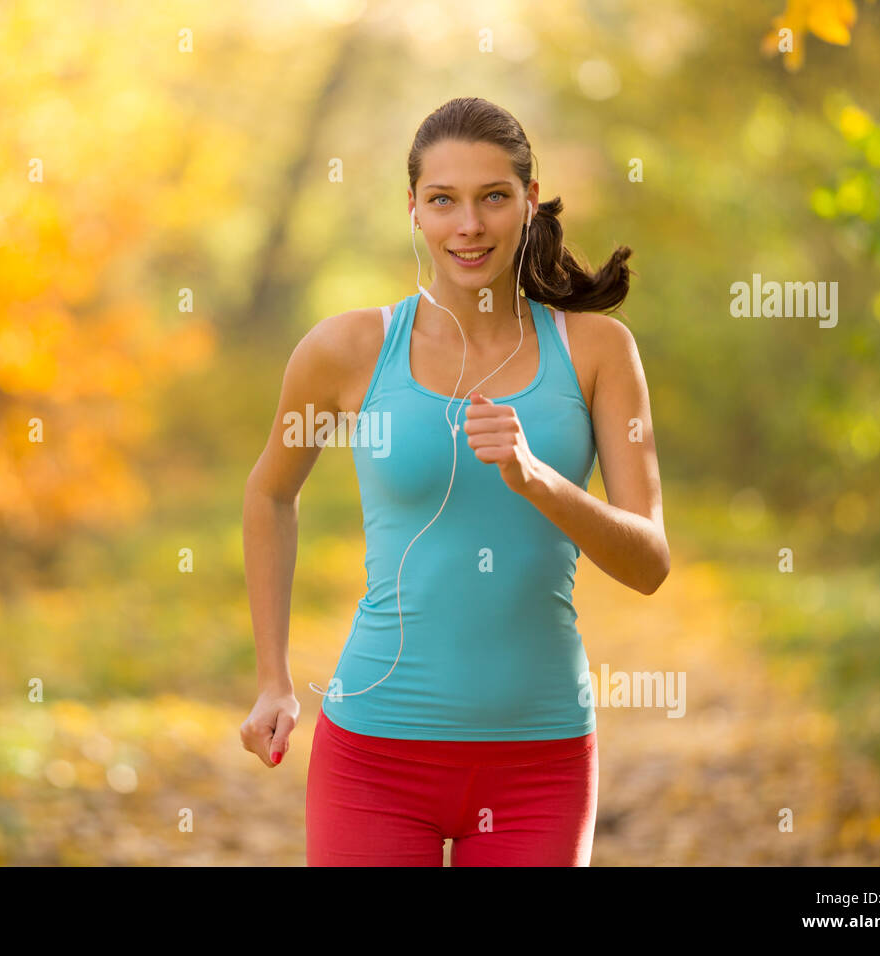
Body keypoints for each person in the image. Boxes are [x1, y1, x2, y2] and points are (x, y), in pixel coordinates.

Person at [240, 96, 668, 866]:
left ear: (529, 203)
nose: (468, 225)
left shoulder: (599, 350)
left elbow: (649, 562)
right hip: (373, 756)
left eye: (493, 198)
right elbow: (270, 492)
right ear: (414, 210)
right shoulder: (347, 350)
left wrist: (541, 481)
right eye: (443, 201)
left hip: (541, 762)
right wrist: (274, 678)